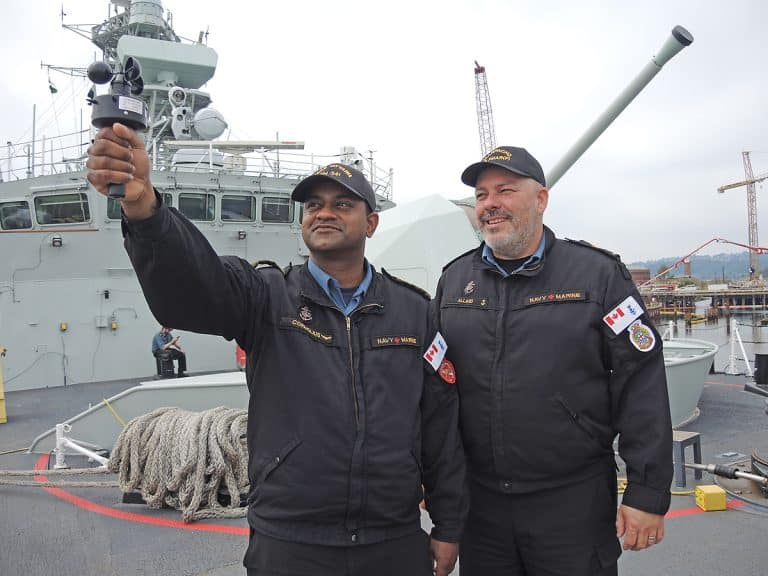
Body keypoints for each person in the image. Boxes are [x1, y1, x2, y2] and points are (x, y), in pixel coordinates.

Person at [86, 123, 466, 576]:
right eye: (314, 205)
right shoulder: (264, 296)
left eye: (342, 204)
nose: (324, 213)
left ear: (371, 223)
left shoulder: (415, 312)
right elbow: (192, 289)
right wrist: (144, 207)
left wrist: (448, 524)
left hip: (392, 539)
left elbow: (440, 426)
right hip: (290, 541)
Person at [432, 146, 673, 576]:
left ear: (540, 199)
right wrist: (431, 479)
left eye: (505, 190)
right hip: (481, 507)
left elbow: (641, 383)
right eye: (482, 195)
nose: (490, 204)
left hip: (572, 503)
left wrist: (647, 492)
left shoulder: (597, 275)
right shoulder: (455, 280)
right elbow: (436, 389)